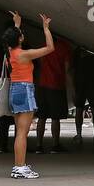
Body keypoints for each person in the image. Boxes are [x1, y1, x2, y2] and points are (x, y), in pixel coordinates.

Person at [3, 12, 56, 179]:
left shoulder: (9, 52)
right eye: (21, 35)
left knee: (19, 131)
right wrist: (46, 29)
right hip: (25, 90)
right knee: (22, 132)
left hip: (14, 90)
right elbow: (50, 48)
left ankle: (19, 165)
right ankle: (19, 167)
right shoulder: (23, 54)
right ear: (19, 39)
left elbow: (11, 39)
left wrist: (16, 24)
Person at [28, 24, 72, 155]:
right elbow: (67, 69)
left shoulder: (44, 47)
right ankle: (55, 144)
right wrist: (71, 87)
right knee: (55, 117)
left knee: (41, 116)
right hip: (56, 85)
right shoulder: (64, 48)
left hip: (42, 85)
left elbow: (40, 64)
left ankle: (39, 145)